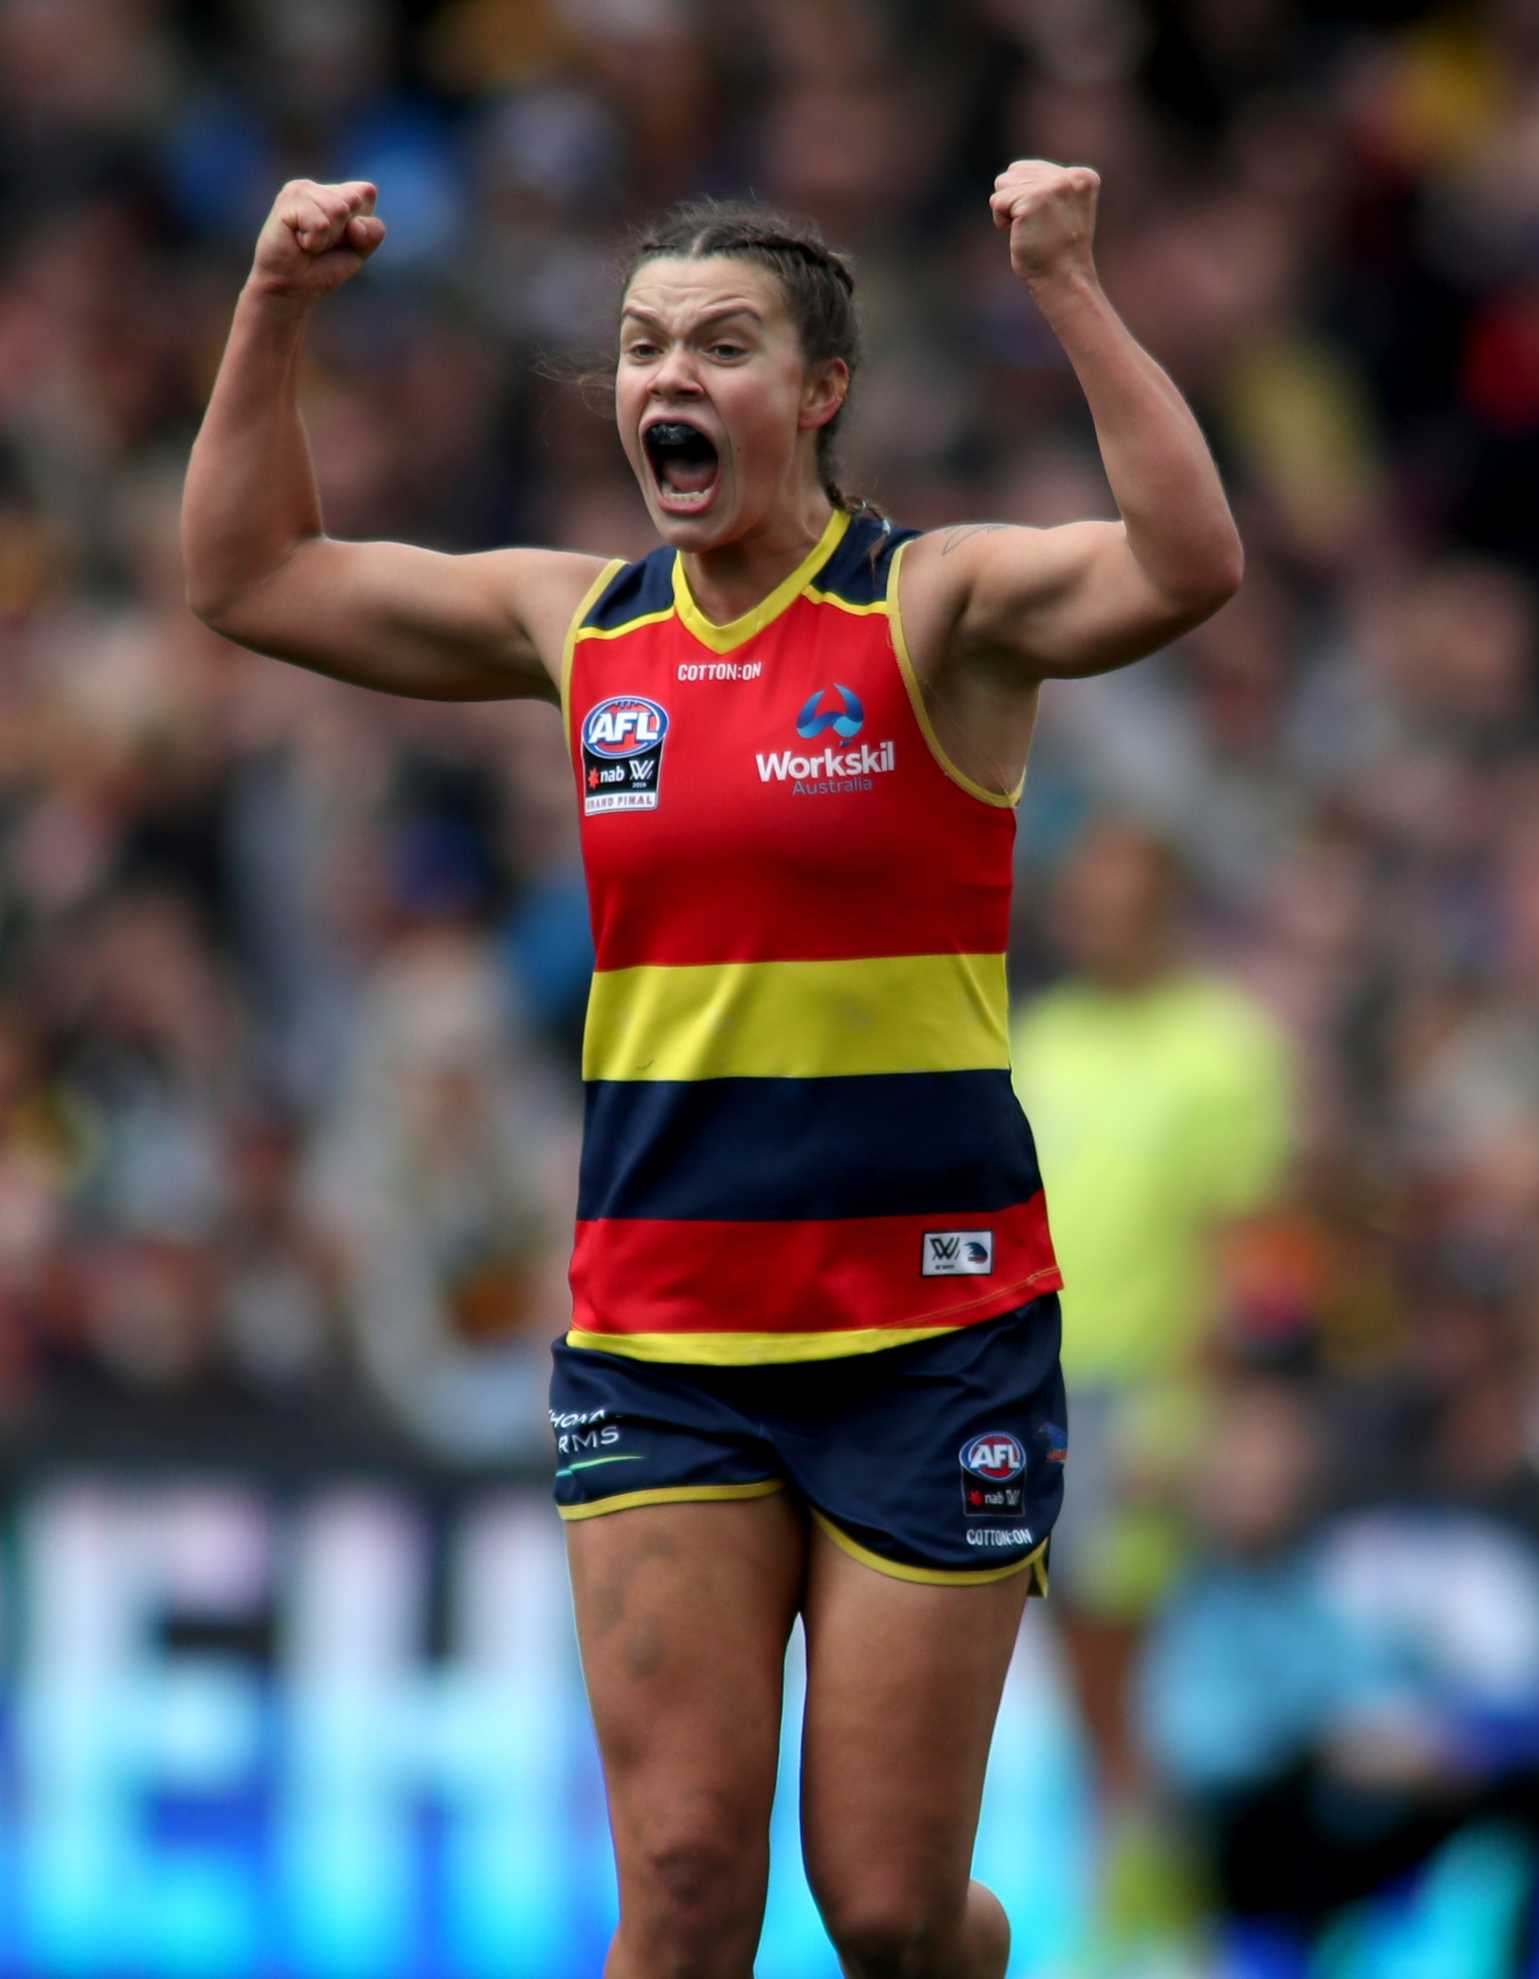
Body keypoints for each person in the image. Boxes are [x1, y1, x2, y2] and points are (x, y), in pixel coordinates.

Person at [182, 170, 1241, 1978]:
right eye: (642, 345)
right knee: (680, 1886)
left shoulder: (936, 605)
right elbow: (252, 576)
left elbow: (1185, 560)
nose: (670, 372)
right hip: (664, 1341)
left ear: (819, 388)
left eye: (723, 343)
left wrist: (1068, 281)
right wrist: (274, 297)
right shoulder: (582, 626)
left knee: (893, 1908)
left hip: (932, 1341)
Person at [1011, 818, 1298, 1946]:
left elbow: (1251, 1248)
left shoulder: (1225, 1044)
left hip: (1150, 1397)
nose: (1092, 916)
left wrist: (1200, 1406)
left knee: (1141, 1675)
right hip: (1034, 1393)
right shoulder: (1040, 1034)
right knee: (1084, 1675)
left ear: (1165, 905)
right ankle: (1131, 1904)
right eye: (1082, 895)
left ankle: (1160, 1924)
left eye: (1116, 894)